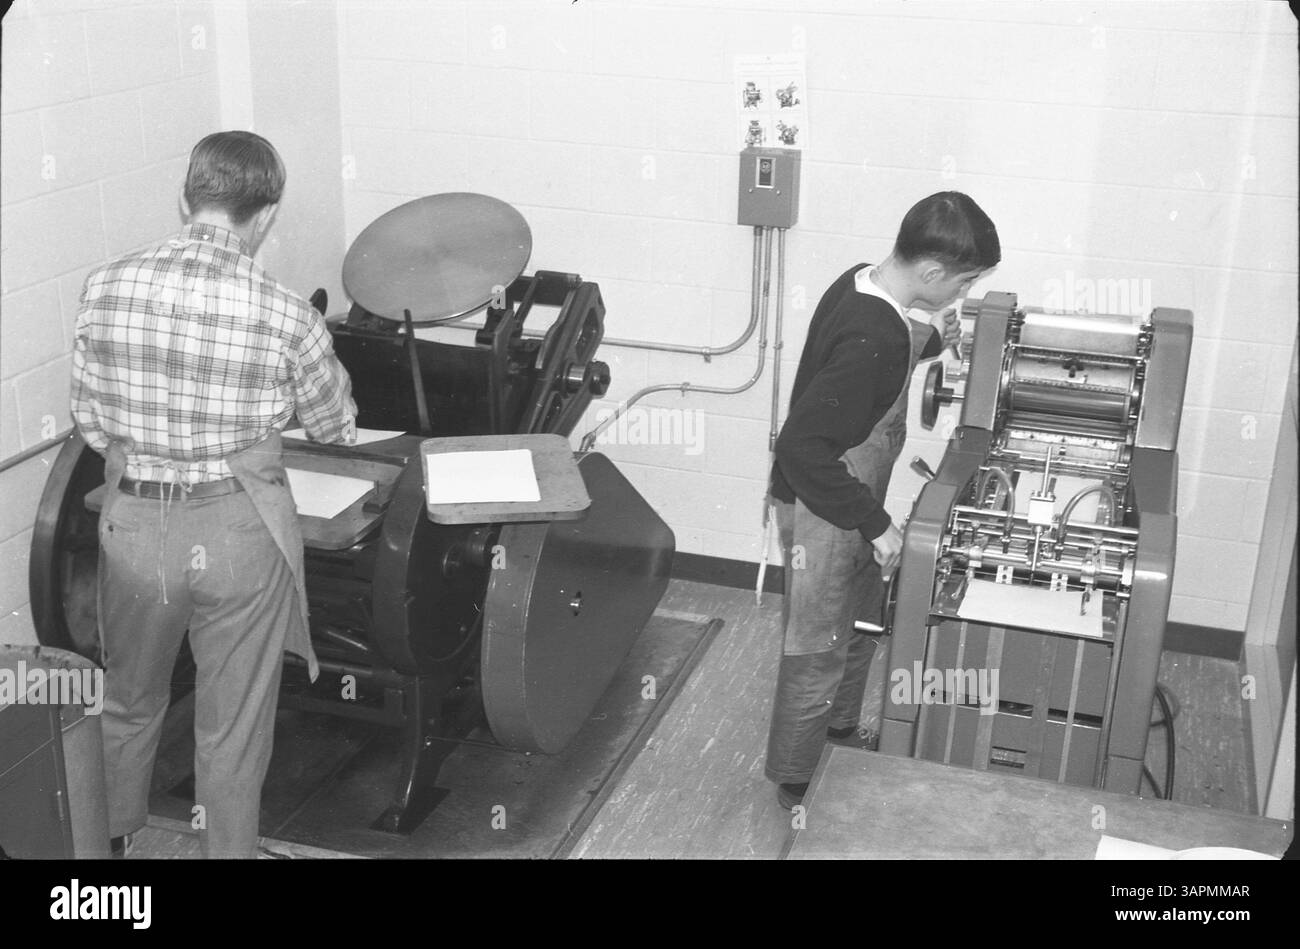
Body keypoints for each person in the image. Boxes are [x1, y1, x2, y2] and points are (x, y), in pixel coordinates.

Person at [71, 130, 358, 857]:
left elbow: (91, 419)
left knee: (129, 700)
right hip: (237, 530)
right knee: (232, 723)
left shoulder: (104, 285)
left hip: (134, 522)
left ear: (188, 196)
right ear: (264, 216)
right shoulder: (288, 313)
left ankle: (109, 857)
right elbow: (335, 425)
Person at [765, 191, 1000, 809]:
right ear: (931, 273)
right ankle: (798, 776)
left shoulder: (862, 284)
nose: (964, 293)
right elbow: (801, 447)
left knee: (861, 617)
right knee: (817, 643)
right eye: (964, 282)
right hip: (824, 504)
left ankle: (838, 730)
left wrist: (930, 341)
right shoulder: (878, 337)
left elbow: (865, 357)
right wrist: (875, 523)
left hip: (847, 497)